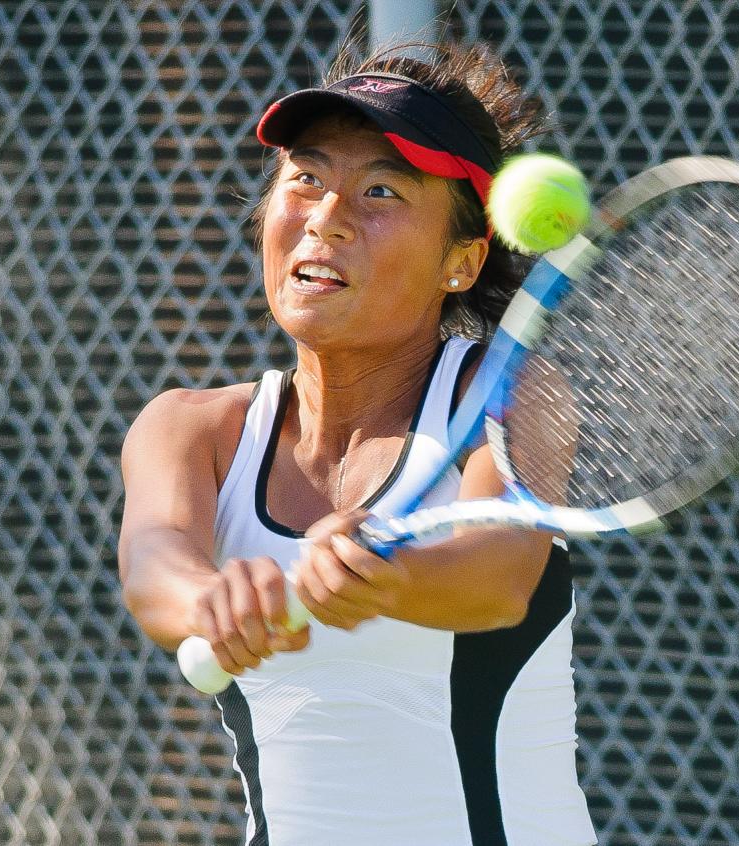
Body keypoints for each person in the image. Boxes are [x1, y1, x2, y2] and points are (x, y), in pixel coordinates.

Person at [119, 41, 595, 845]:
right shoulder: (190, 426)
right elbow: (154, 563)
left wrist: (385, 575)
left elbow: (495, 574)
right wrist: (213, 602)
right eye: (305, 178)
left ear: (461, 260)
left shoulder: (507, 398)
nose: (325, 216)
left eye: (379, 191)